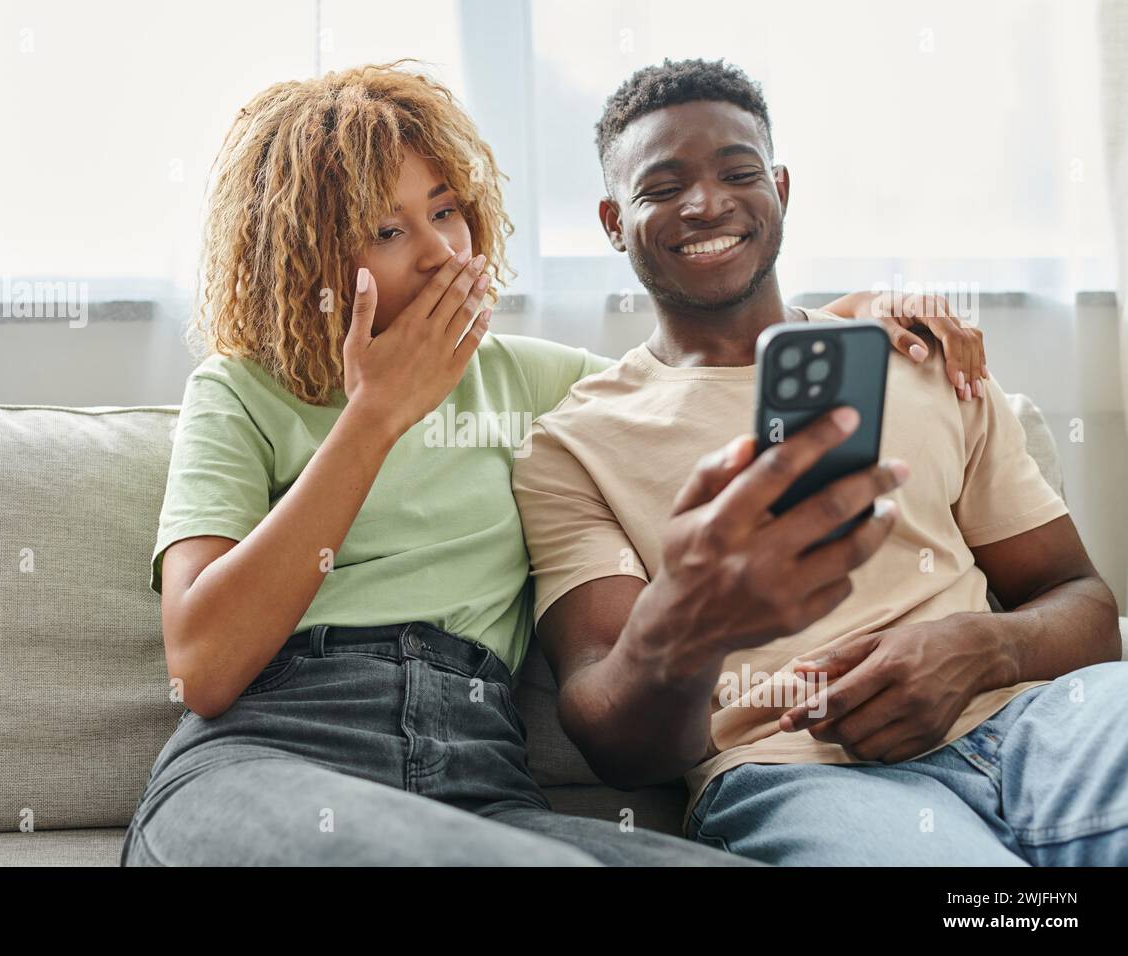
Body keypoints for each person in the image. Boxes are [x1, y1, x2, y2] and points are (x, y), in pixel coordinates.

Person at [121, 60, 987, 866]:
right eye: (388, 229)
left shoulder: (536, 383)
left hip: (481, 785)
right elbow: (202, 664)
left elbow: (688, 375)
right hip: (271, 758)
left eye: (448, 210)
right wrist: (374, 416)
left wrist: (863, 309)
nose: (441, 252)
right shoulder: (240, 390)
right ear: (308, 253)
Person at [511, 57, 1125, 866]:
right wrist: (693, 619)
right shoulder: (572, 443)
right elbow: (613, 737)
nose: (707, 204)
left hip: (1037, 721)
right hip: (795, 771)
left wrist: (984, 648)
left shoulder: (919, 356)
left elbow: (1082, 601)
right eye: (662, 187)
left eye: (739, 172)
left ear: (782, 190)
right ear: (611, 221)